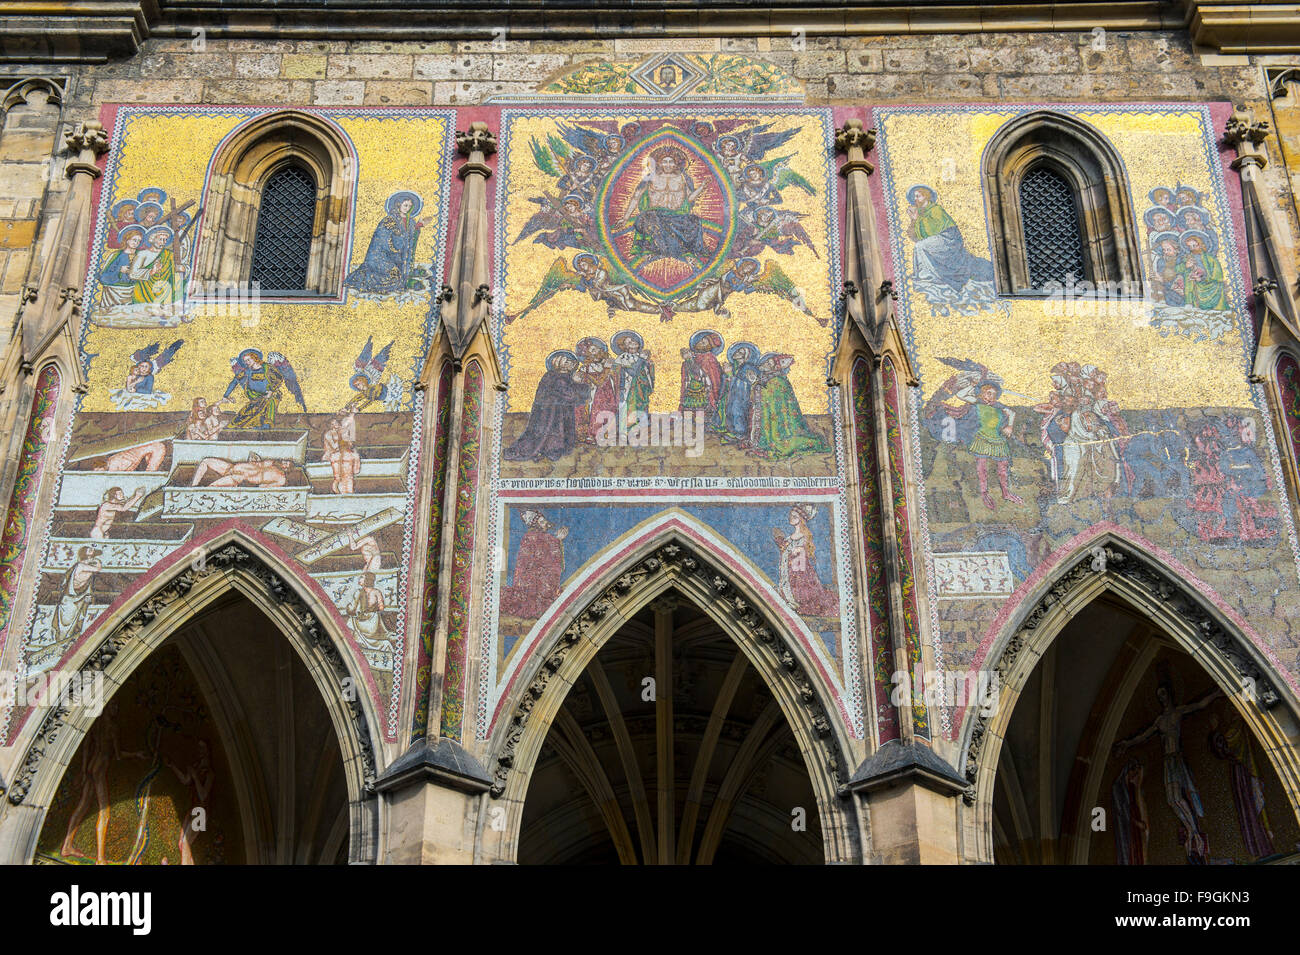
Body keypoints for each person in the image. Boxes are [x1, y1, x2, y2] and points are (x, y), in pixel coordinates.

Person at [1113, 676, 1220, 865]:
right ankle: (1189, 830)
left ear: (1169, 693)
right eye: (1158, 695)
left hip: (1177, 758)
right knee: (1172, 800)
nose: (1161, 697)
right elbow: (1142, 736)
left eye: (1163, 693)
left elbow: (1200, 705)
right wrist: (1126, 743)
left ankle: (1194, 832)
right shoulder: (1160, 720)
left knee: (1180, 798)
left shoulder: (1178, 712)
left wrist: (1217, 693)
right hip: (1167, 761)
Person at [617, 146, 710, 265]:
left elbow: (689, 198)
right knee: (648, 218)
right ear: (659, 163)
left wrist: (702, 187)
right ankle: (649, 250)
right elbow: (636, 196)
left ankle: (687, 252)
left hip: (677, 215)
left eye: (671, 162)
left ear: (676, 164)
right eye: (664, 162)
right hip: (655, 214)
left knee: (693, 220)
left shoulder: (683, 178)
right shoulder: (650, 177)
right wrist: (625, 218)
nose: (667, 165)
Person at [503, 351, 591, 462]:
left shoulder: (563, 376)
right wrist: (579, 384)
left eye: (571, 361)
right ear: (558, 363)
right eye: (567, 361)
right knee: (553, 432)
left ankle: (556, 449)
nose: (571, 364)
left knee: (560, 430)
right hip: (551, 413)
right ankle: (552, 450)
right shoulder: (556, 377)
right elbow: (569, 394)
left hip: (560, 412)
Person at [906, 184, 995, 291]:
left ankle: (928, 276)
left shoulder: (935, 209)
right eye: (914, 197)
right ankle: (926, 274)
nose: (915, 199)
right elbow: (916, 236)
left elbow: (931, 231)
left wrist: (917, 219)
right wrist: (914, 220)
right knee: (919, 245)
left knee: (920, 246)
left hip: (948, 239)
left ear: (926, 196)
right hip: (937, 239)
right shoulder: (920, 213)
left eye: (918, 196)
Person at [344, 191, 427, 294]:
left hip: (398, 259)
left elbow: (410, 238)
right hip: (380, 257)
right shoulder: (388, 221)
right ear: (398, 205)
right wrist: (400, 240)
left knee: (401, 276)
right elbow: (382, 241)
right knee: (394, 277)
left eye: (410, 206)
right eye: (405, 205)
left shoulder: (411, 222)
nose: (407, 208)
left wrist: (417, 227)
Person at [749, 353, 829, 458]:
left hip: (779, 422)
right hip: (770, 416)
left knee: (782, 442)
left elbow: (771, 396)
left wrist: (755, 384)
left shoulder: (778, 380)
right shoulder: (765, 377)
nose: (766, 364)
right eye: (766, 362)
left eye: (770, 363)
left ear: (775, 367)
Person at [499, 510, 569, 619]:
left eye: (544, 521)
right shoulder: (532, 537)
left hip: (537, 576)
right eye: (541, 522)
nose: (545, 524)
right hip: (531, 580)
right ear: (535, 525)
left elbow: (546, 554)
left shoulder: (541, 537)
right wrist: (558, 539)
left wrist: (557, 540)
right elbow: (542, 556)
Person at [967, 381, 1025, 510]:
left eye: (994, 394)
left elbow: (1012, 413)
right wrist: (972, 386)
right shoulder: (977, 403)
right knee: (982, 467)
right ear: (982, 394)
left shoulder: (998, 406)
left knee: (1003, 467)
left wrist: (1010, 426)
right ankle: (984, 493)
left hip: (998, 439)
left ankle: (1005, 492)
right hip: (982, 437)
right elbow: (961, 394)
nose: (992, 396)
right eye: (988, 393)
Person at [773, 505, 838, 617]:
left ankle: (796, 601)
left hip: (799, 569)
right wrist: (780, 541)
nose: (791, 518)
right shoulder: (790, 537)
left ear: (801, 519)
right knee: (787, 584)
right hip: (788, 567)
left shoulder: (804, 536)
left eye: (794, 516)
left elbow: (803, 549)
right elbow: (786, 549)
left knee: (801, 589)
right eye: (791, 516)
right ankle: (790, 600)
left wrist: (795, 550)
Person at [612, 332, 655, 430]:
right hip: (627, 386)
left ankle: (641, 426)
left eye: (633, 342)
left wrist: (649, 365)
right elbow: (632, 371)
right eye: (629, 342)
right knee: (627, 406)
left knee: (641, 404)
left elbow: (647, 372)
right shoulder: (622, 358)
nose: (633, 343)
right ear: (624, 346)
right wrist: (641, 361)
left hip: (641, 387)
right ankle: (628, 427)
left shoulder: (641, 356)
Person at [190, 454, 293, 488]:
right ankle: (193, 486)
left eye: (286, 465)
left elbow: (262, 488)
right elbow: (257, 464)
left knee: (209, 488)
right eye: (285, 461)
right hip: (231, 467)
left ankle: (195, 492)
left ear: (288, 470)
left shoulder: (281, 480)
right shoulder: (272, 463)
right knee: (206, 461)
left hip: (238, 478)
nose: (284, 463)